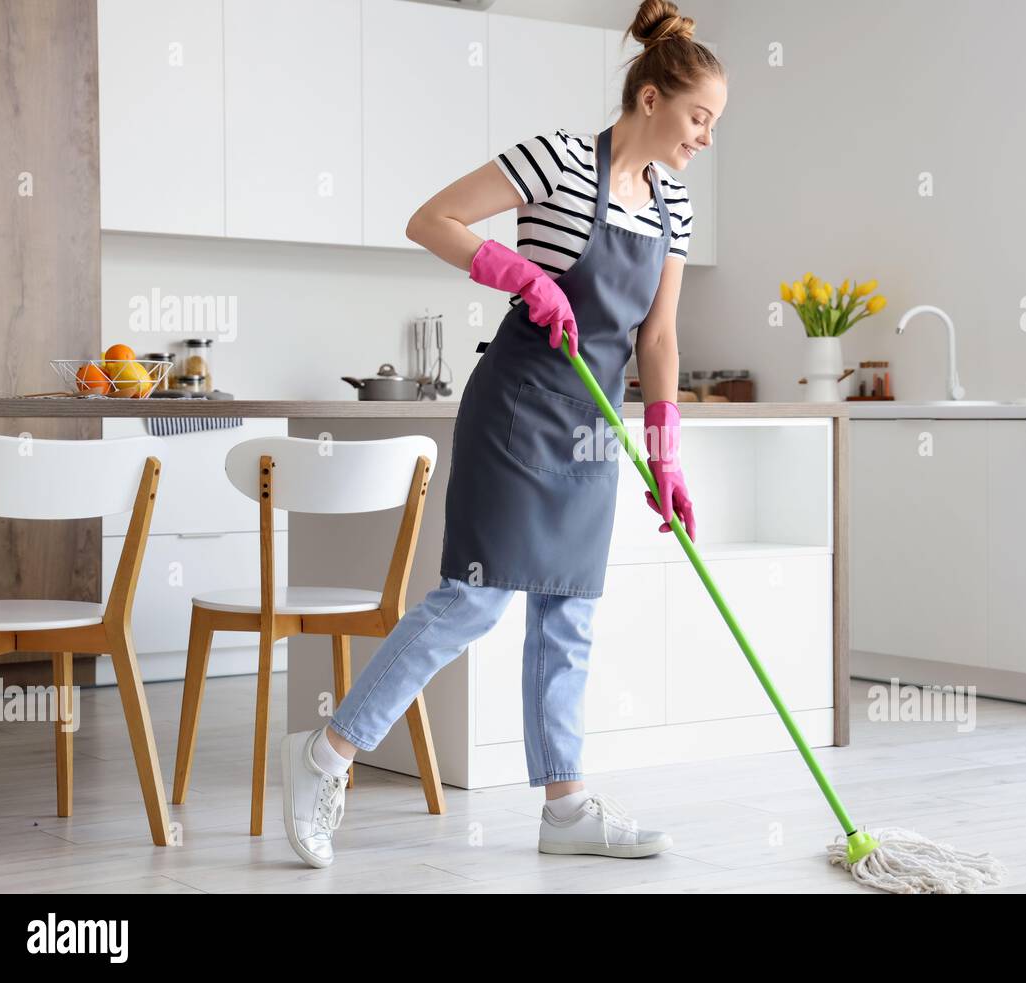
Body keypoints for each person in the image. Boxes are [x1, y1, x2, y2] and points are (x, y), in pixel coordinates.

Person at [279, 0, 727, 869]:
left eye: (713, 123)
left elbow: (660, 337)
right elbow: (432, 219)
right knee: (473, 600)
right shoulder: (558, 156)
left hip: (595, 424)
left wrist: (667, 458)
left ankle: (565, 806)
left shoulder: (674, 207)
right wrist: (521, 273)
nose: (705, 137)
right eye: (699, 117)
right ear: (650, 101)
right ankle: (326, 754)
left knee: (571, 614)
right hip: (519, 408)